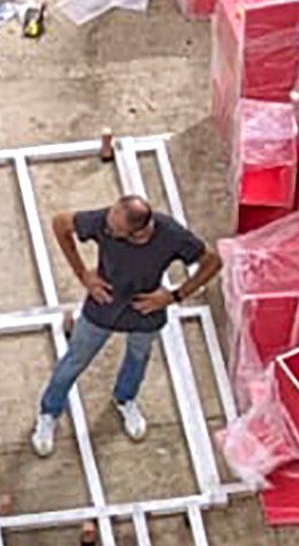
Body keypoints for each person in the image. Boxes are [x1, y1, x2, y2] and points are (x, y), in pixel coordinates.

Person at [30, 194, 220, 456]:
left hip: (145, 307)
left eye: (116, 230)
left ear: (139, 232)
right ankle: (49, 412)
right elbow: (61, 223)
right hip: (104, 301)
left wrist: (175, 295)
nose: (107, 230)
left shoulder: (171, 235)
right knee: (75, 359)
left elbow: (212, 261)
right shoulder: (106, 219)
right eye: (109, 223)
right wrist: (83, 274)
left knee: (138, 357)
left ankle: (125, 399)